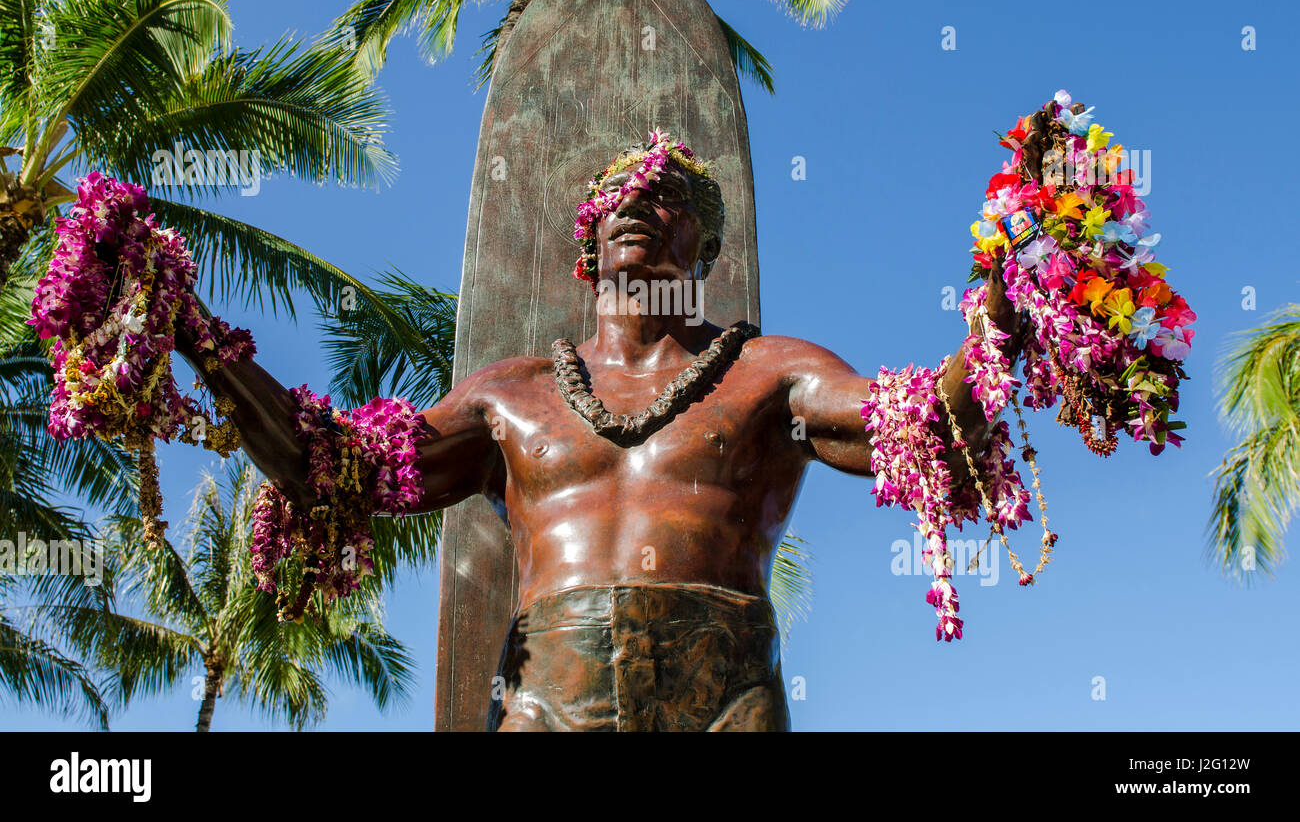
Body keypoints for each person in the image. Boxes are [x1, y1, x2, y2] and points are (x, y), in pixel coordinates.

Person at [177, 134, 1026, 731]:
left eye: (669, 197)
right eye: (621, 196)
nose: (641, 205)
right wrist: (188, 326)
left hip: (726, 697)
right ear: (588, 246)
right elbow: (334, 467)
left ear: (709, 246)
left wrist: (1009, 293)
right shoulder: (511, 396)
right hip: (547, 698)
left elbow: (926, 425)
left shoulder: (771, 372)